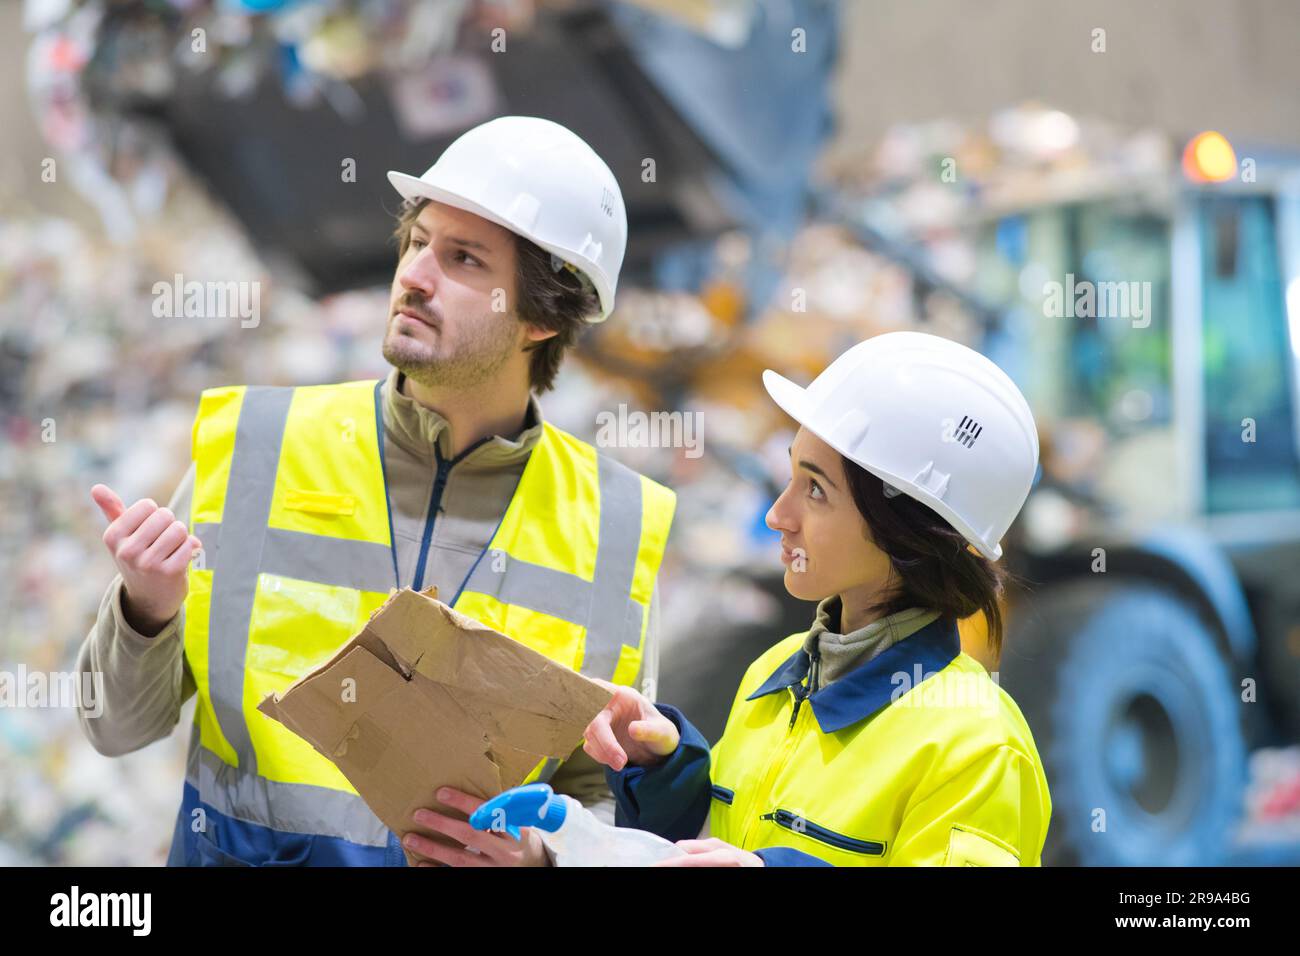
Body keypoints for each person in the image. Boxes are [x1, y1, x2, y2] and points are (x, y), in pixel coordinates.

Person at [76, 116, 676, 867]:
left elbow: (598, 797)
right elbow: (115, 730)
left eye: (463, 259)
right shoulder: (261, 446)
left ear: (540, 316)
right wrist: (144, 610)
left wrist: (540, 858)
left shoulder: (617, 526)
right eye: (419, 241)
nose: (415, 276)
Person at [581, 330, 1051, 866]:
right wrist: (665, 767)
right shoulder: (773, 673)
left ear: (905, 528)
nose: (777, 516)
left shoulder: (978, 743)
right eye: (791, 477)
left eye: (816, 489)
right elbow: (725, 842)